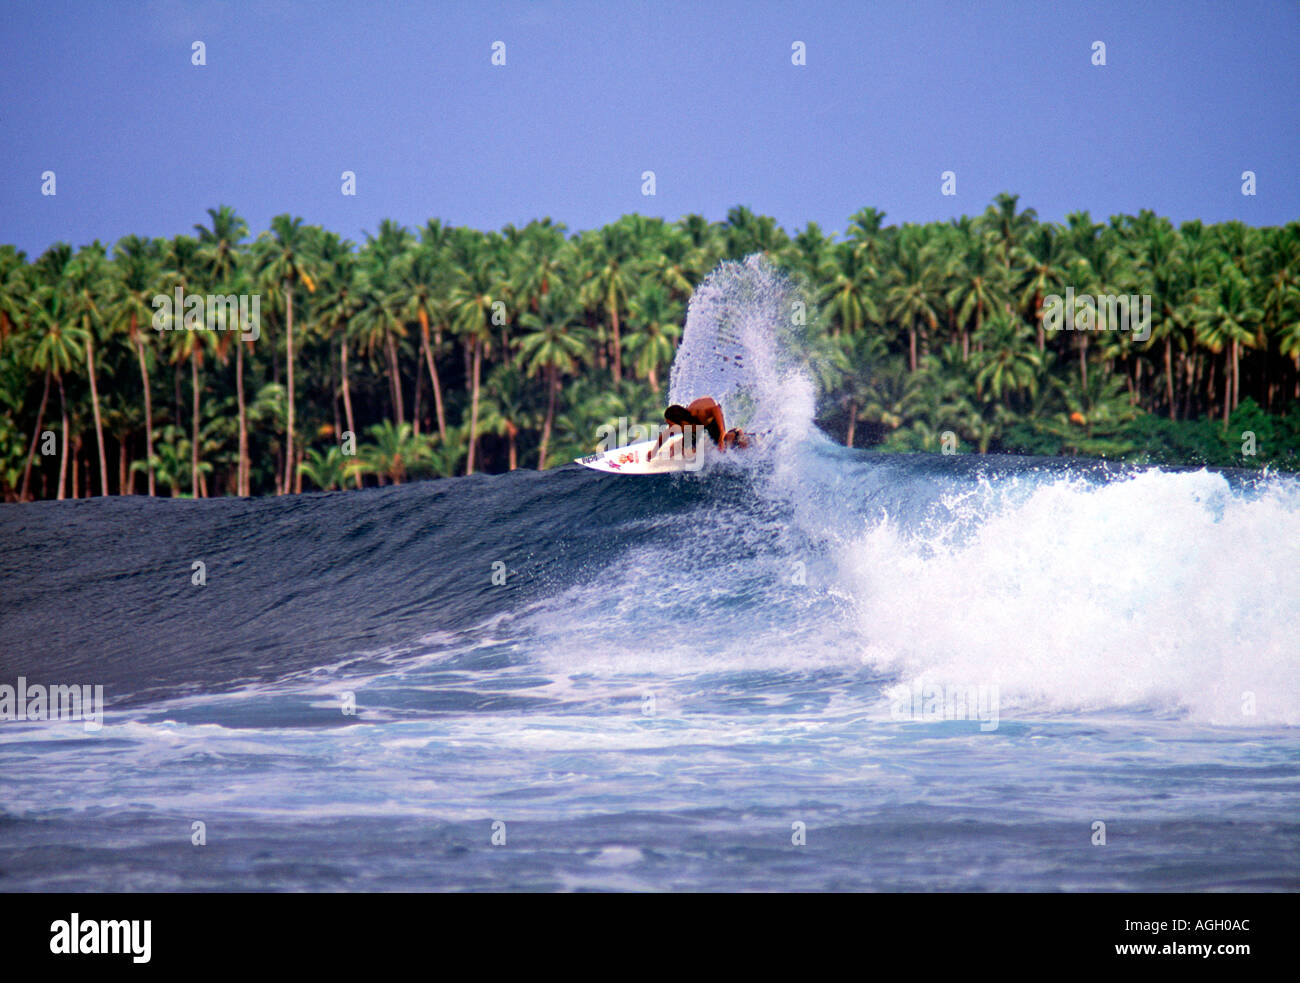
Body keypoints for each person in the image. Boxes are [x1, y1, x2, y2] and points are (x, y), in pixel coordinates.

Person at [650, 396, 748, 460]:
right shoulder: (684, 424)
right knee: (686, 453)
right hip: (695, 425)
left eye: (671, 424)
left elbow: (715, 407)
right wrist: (654, 451)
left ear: (679, 420)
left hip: (711, 419)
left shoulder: (698, 413)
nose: (670, 427)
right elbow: (667, 433)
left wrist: (722, 434)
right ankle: (680, 445)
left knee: (724, 445)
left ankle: (736, 433)